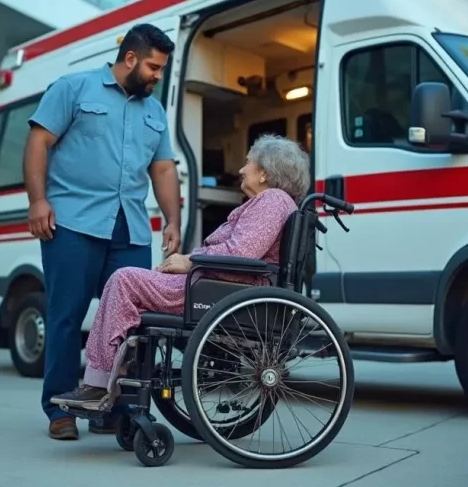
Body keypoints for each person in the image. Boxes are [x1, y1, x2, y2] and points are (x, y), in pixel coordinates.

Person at [49, 134, 310, 411]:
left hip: (222, 291)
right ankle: (118, 376)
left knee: (124, 280)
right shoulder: (275, 202)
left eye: (248, 163)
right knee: (130, 284)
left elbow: (241, 253)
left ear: (264, 174)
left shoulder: (272, 201)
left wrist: (189, 261)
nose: (241, 169)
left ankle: (100, 384)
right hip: (220, 286)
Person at [23, 23, 182, 441]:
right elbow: (39, 142)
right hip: (72, 222)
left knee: (129, 326)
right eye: (153, 67)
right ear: (130, 58)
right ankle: (60, 408)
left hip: (129, 228)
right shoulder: (73, 88)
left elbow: (163, 168)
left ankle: (113, 410)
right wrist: (38, 201)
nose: (157, 76)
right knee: (66, 316)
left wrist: (173, 220)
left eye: (161, 69)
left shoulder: (154, 112)